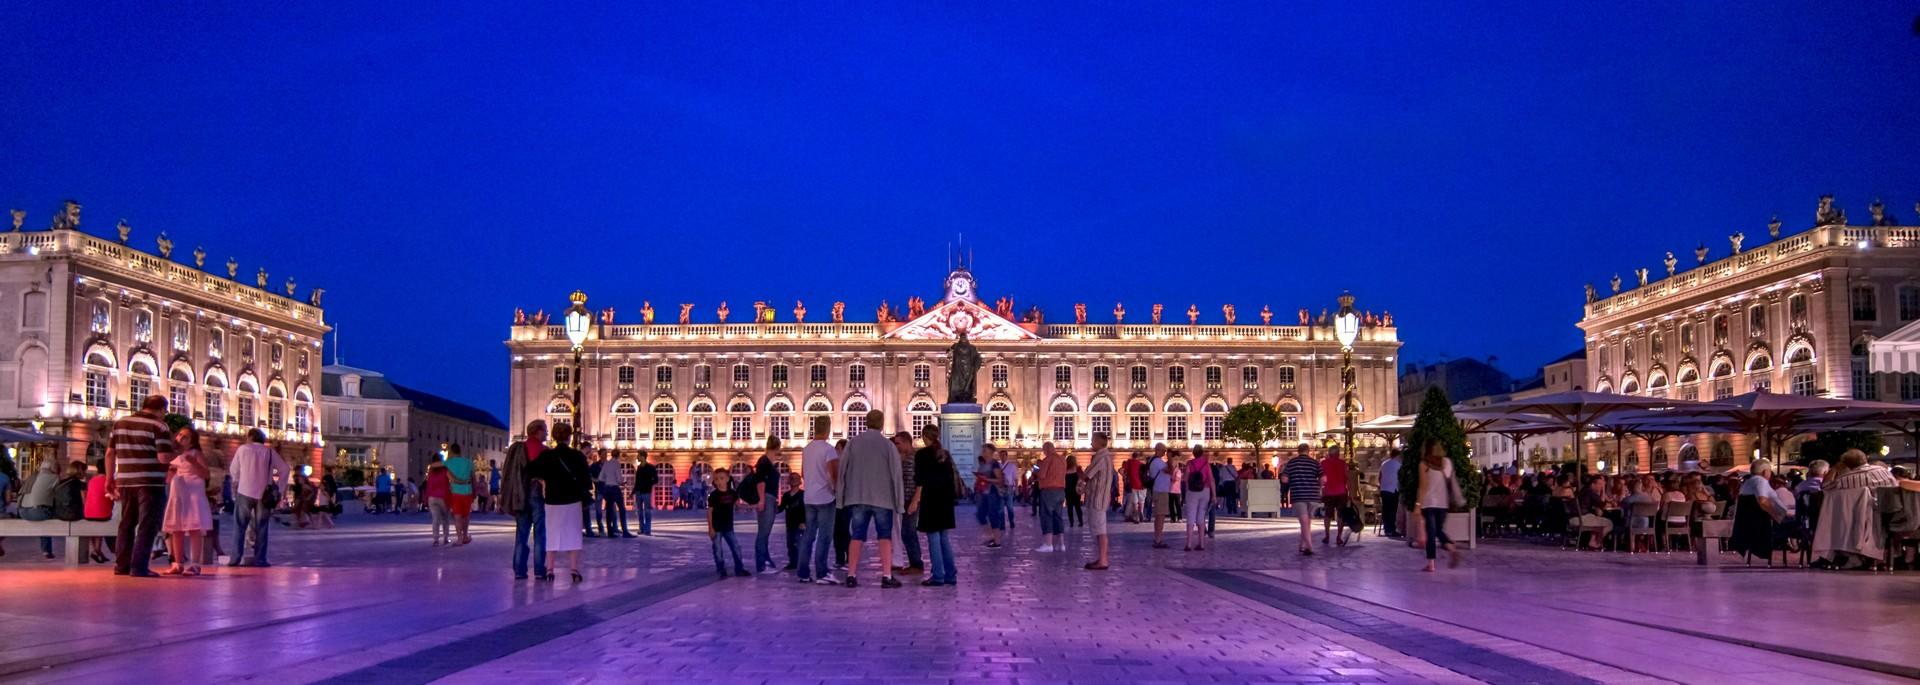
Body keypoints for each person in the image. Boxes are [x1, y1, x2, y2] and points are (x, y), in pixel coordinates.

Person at [107, 395, 177, 577]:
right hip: (150, 482)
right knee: (148, 524)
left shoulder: (120, 423)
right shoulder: (159, 426)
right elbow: (163, 457)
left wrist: (109, 479)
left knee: (126, 523)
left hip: (125, 480)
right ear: (162, 409)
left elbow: (109, 453)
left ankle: (121, 565)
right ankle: (138, 567)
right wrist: (177, 450)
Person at [838, 409, 904, 589]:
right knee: (884, 536)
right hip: (883, 498)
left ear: (866, 422)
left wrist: (840, 498)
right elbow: (896, 475)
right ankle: (887, 575)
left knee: (857, 536)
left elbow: (842, 471)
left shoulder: (853, 443)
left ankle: (851, 574)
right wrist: (899, 503)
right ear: (882, 423)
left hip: (857, 497)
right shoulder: (888, 445)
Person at [530, 423, 591, 583]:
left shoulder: (547, 456)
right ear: (569, 437)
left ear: (554, 437)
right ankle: (574, 569)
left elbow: (531, 470)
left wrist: (544, 481)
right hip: (572, 500)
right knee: (573, 534)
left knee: (552, 534)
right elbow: (586, 481)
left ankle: (550, 570)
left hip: (552, 500)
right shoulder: (578, 456)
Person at [227, 428, 286, 568]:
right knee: (262, 527)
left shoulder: (243, 449)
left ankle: (235, 558)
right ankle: (260, 559)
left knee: (240, 526)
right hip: (263, 495)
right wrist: (280, 487)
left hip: (245, 491)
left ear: (250, 437)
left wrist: (237, 480)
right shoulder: (269, 452)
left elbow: (233, 469)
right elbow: (285, 469)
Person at [913, 423, 962, 586]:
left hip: (931, 501)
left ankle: (938, 575)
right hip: (945, 502)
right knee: (944, 538)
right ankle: (950, 575)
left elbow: (919, 481)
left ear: (924, 438)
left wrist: (914, 501)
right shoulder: (945, 455)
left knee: (933, 538)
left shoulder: (922, 455)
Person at [160, 426, 213, 575]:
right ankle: (177, 563)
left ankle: (195, 564)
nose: (181, 438)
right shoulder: (175, 456)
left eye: (185, 437)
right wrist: (170, 471)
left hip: (193, 493)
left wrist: (193, 462)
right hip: (179, 494)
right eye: (179, 435)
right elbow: (168, 480)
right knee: (176, 529)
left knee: (194, 528)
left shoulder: (196, 454)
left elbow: (205, 474)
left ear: (192, 441)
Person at [501, 420, 548, 580]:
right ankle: (540, 569)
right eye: (545, 431)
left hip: (520, 493)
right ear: (538, 431)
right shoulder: (543, 450)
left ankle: (520, 570)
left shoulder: (518, 448)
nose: (547, 434)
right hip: (536, 492)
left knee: (521, 534)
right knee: (540, 533)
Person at [799, 417, 839, 585]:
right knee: (824, 536)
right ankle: (822, 572)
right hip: (825, 498)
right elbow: (833, 475)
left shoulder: (806, 449)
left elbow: (802, 473)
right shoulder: (829, 450)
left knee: (808, 535)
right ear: (828, 429)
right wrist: (835, 490)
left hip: (809, 497)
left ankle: (803, 572)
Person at [1412, 442, 1463, 572]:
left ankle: (1431, 564)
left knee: (1431, 533)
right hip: (1443, 503)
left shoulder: (1424, 465)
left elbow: (1423, 487)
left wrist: (1418, 505)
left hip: (1428, 503)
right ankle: (1451, 548)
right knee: (1438, 530)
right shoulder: (1447, 462)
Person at [1729, 460, 1784, 565]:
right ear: (1764, 472)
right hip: (1761, 525)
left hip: (1748, 525)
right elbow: (1763, 501)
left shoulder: (1748, 482)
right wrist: (1778, 515)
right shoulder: (1760, 481)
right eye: (1769, 471)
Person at [890, 431, 924, 575]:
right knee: (906, 531)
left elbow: (921, 482)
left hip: (912, 500)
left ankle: (916, 564)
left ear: (905, 442)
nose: (896, 446)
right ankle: (914, 563)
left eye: (898, 443)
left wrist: (915, 500)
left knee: (908, 531)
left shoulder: (916, 458)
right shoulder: (902, 458)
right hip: (904, 499)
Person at [707, 470, 751, 578]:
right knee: (718, 550)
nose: (719, 481)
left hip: (728, 526)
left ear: (727, 479)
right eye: (716, 479)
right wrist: (710, 528)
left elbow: (738, 506)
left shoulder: (733, 493)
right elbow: (709, 512)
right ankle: (721, 570)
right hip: (717, 527)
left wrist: (751, 506)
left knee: (736, 547)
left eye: (721, 478)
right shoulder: (713, 495)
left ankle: (739, 569)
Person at [1082, 433, 1116, 570]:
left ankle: (1103, 560)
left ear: (1099, 442)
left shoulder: (1101, 457)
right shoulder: (1106, 457)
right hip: (1100, 498)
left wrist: (1079, 475)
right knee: (1099, 530)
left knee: (1101, 530)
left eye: (1092, 440)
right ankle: (1102, 559)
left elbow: (1087, 475)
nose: (1091, 443)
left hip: (1097, 499)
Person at [1281, 444, 1322, 555]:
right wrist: (1319, 485)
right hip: (1313, 495)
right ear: (1308, 451)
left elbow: (1284, 479)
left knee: (1304, 522)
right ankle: (1302, 545)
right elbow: (1324, 478)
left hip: (1299, 494)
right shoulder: (1315, 463)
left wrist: (1292, 479)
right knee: (1307, 522)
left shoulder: (1292, 463)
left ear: (1298, 451)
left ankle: (1310, 547)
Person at [17, 456, 58, 559]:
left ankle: (46, 550)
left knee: (45, 512)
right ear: (53, 467)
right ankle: (46, 550)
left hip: (22, 511)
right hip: (37, 512)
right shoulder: (54, 477)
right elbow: (59, 494)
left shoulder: (32, 476)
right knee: (50, 513)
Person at [751, 438, 782, 573]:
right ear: (777, 447)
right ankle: (761, 565)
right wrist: (762, 500)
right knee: (763, 533)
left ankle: (766, 560)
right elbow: (760, 482)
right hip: (767, 499)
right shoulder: (764, 462)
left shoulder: (767, 462)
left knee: (765, 533)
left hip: (770, 499)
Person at [1035, 442, 1068, 553]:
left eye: (1044, 450)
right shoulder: (1062, 459)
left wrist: (1037, 468)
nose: (1043, 453)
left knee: (1046, 515)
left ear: (1047, 449)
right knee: (1058, 517)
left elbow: (1042, 475)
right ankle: (1061, 544)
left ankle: (1048, 544)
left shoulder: (1048, 459)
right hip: (1061, 490)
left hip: (1049, 490)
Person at [1183, 445, 1216, 551]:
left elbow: (1185, 479)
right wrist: (1214, 495)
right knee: (1201, 518)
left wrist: (1187, 491)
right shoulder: (1206, 464)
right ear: (1202, 453)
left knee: (1190, 517)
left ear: (1193, 453)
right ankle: (1201, 544)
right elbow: (1211, 480)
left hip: (1192, 492)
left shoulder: (1189, 463)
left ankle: (1188, 544)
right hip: (1205, 491)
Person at [974, 444, 1005, 547]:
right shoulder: (983, 464)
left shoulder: (994, 464)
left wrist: (986, 479)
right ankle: (991, 536)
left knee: (993, 515)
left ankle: (997, 541)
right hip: (982, 492)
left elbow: (1000, 480)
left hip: (992, 492)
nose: (983, 452)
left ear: (991, 452)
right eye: (983, 450)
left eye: (985, 451)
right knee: (980, 514)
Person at [598, 450, 634, 538]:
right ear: (618, 455)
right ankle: (625, 531)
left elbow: (600, 478)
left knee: (609, 510)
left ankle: (610, 532)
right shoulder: (616, 464)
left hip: (607, 488)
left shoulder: (606, 464)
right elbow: (619, 479)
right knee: (622, 509)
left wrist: (608, 480)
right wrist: (622, 482)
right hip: (614, 488)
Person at [1319, 446, 1351, 547]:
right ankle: (1339, 537)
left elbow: (1321, 478)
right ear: (1338, 454)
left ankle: (1327, 535)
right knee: (1341, 515)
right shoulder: (1343, 464)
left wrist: (1321, 490)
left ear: (1329, 453)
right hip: (1341, 492)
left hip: (1329, 492)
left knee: (1328, 515)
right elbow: (1347, 479)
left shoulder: (1323, 463)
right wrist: (1349, 493)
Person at [83, 462, 113, 563]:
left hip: (88, 513)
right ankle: (97, 550)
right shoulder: (109, 481)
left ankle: (96, 550)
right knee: (101, 521)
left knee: (94, 524)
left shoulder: (91, 481)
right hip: (104, 514)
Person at [1144, 444, 1172, 548]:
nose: (1165, 453)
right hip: (1161, 491)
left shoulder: (1153, 460)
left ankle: (1157, 538)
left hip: (1157, 490)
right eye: (1164, 451)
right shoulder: (1157, 462)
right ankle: (1158, 540)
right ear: (1158, 450)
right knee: (1160, 516)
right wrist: (1170, 459)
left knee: (1158, 516)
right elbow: (1170, 470)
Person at [780, 471, 806, 572]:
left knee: (799, 544)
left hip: (800, 524)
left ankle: (800, 562)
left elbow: (804, 510)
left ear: (800, 481)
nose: (794, 480)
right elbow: (781, 507)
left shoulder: (803, 495)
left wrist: (804, 522)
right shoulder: (786, 495)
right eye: (792, 478)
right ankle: (792, 562)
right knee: (790, 544)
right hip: (789, 524)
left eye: (796, 478)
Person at [425, 458, 453, 546]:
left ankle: (436, 539)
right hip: (443, 497)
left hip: (432, 497)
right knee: (445, 518)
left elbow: (428, 483)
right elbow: (452, 481)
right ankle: (445, 538)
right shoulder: (445, 470)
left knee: (435, 519)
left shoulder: (430, 471)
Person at [1378, 449, 1403, 538]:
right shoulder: (1399, 465)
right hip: (1393, 489)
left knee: (1386, 510)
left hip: (1384, 489)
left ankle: (1387, 529)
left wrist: (1382, 485)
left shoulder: (1384, 464)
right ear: (1397, 456)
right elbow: (1401, 478)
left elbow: (1380, 477)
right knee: (1392, 511)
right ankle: (1391, 530)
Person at [634, 451, 659, 535]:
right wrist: (633, 492)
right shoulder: (639, 468)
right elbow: (636, 482)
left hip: (646, 492)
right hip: (639, 492)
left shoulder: (651, 467)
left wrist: (648, 484)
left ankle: (647, 529)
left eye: (638, 456)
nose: (637, 457)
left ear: (643, 457)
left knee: (647, 511)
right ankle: (641, 528)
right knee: (639, 511)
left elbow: (656, 480)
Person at [1123, 452, 1147, 523]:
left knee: (1135, 502)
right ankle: (1141, 513)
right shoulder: (1142, 464)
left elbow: (1124, 471)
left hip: (1133, 484)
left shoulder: (1129, 462)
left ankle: (1136, 516)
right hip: (1142, 484)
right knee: (1142, 500)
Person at [1064, 456, 1084, 528]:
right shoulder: (1078, 469)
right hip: (1076, 490)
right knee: (1077, 506)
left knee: (1069, 507)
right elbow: (1083, 478)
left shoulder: (1064, 470)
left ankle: (1071, 522)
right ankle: (1080, 521)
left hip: (1067, 491)